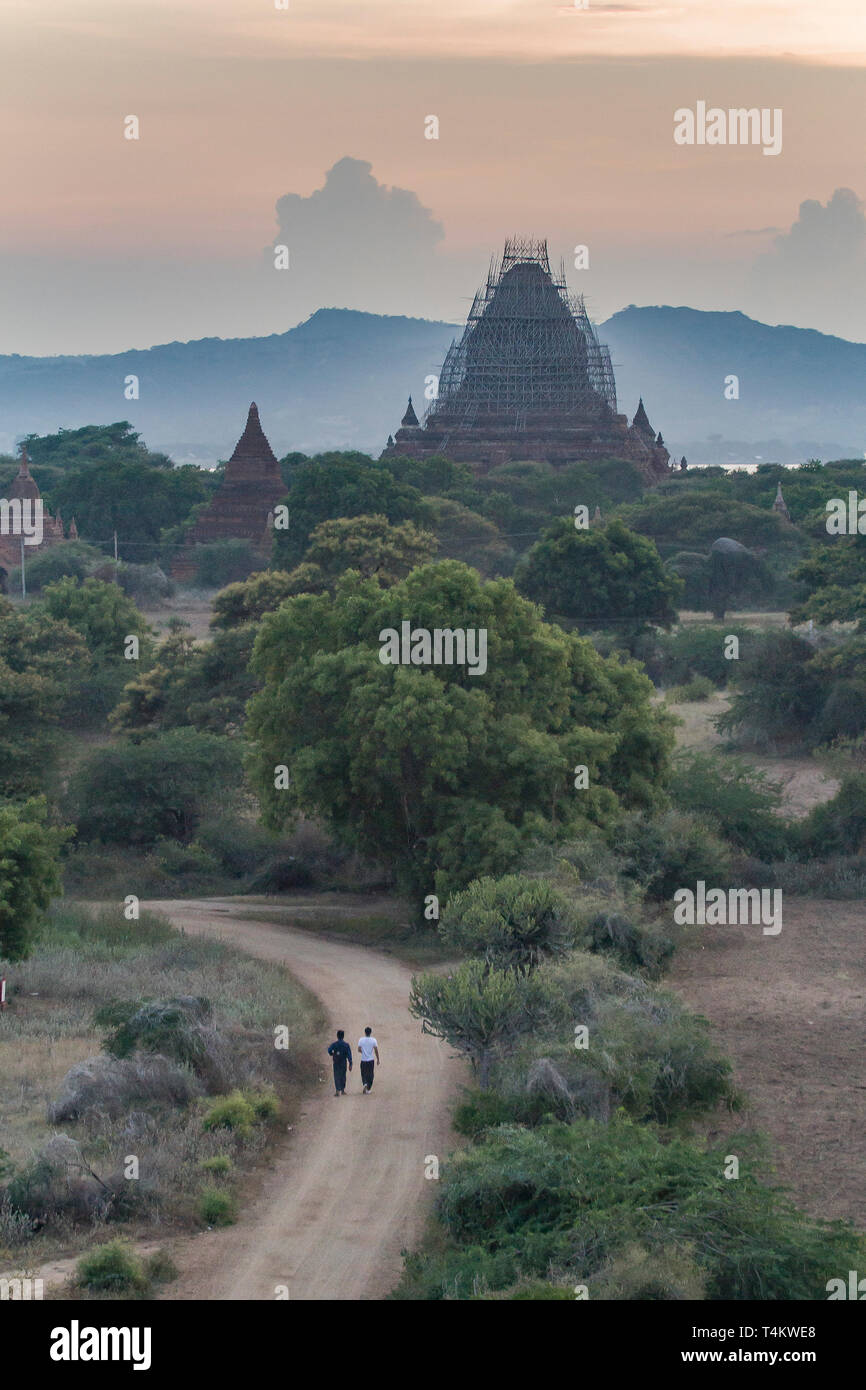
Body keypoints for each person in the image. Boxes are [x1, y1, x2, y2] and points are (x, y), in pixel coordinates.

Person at [327, 1029, 352, 1096]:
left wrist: (332, 1054)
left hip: (336, 1062)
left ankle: (337, 1090)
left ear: (337, 1036)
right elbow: (349, 1055)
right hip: (343, 1062)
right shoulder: (346, 1045)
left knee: (336, 1075)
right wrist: (350, 1064)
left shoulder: (334, 1044)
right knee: (343, 1076)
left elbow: (329, 1050)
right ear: (343, 1036)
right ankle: (343, 1090)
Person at [357, 1026, 380, 1094]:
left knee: (363, 1073)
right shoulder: (373, 1040)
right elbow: (376, 1050)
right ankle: (368, 1088)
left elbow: (358, 1049)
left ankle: (365, 1084)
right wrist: (378, 1059)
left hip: (363, 1060)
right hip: (371, 1060)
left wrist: (364, 1052)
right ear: (370, 1033)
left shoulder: (361, 1040)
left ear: (365, 1032)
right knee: (370, 1074)